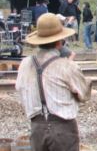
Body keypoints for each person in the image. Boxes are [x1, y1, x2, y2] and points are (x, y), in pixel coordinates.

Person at [15, 13, 91, 150]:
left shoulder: (25, 64)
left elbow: (20, 89)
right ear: (59, 42)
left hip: (37, 128)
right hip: (63, 129)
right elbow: (84, 95)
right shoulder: (67, 66)